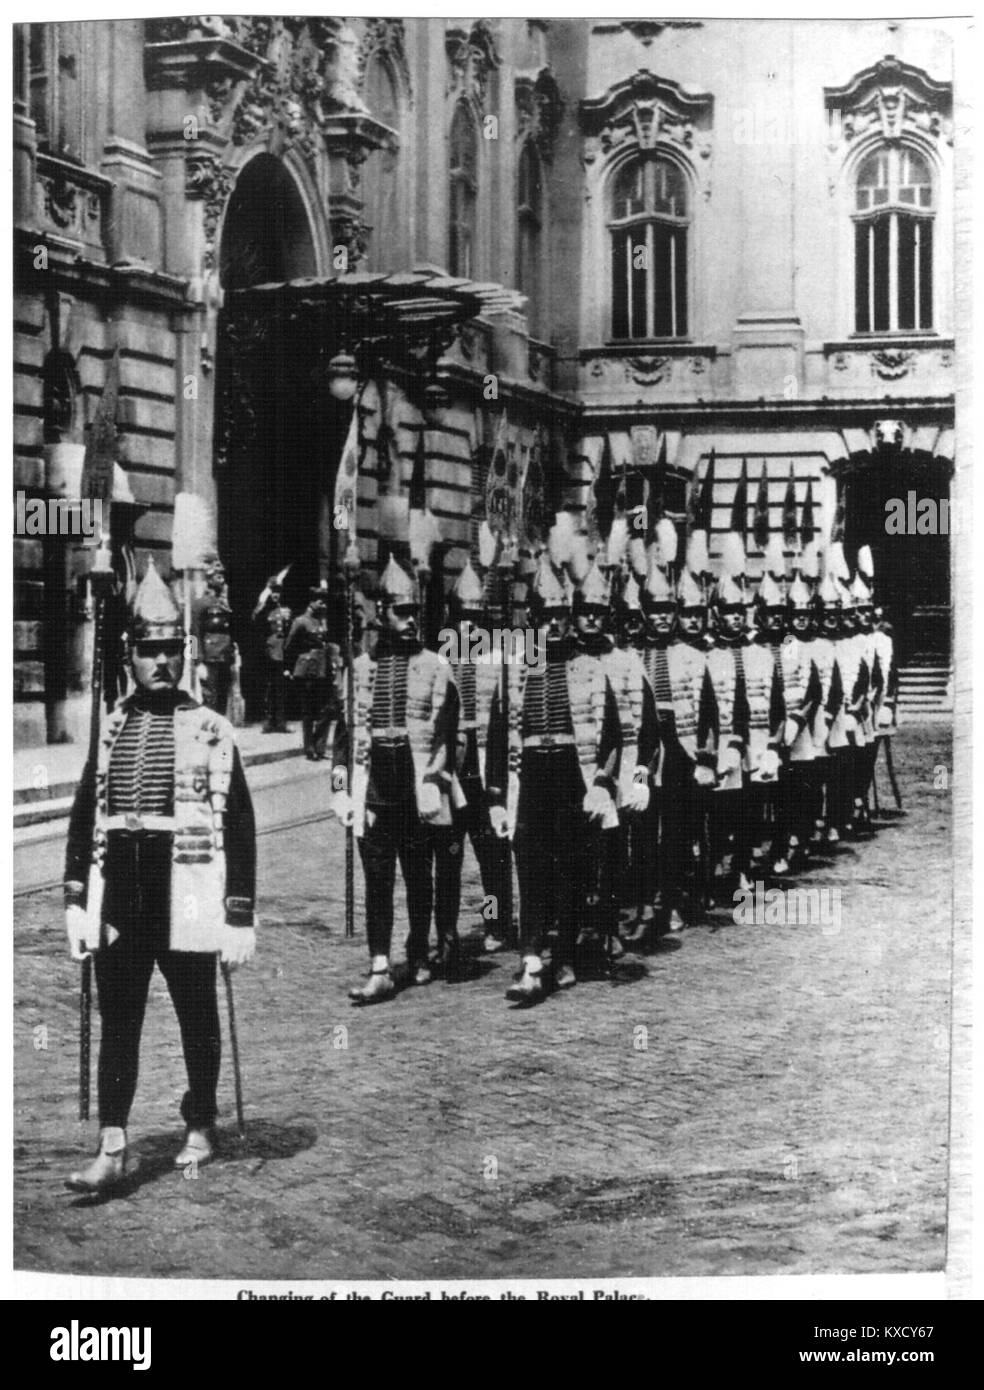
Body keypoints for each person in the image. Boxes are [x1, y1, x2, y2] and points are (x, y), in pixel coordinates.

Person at [63, 560, 257, 1193]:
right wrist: (76, 899)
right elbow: (87, 813)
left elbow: (239, 823)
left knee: (196, 1011)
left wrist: (238, 911)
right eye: (149, 651)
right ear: (130, 654)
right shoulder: (111, 726)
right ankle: (113, 1145)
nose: (162, 661)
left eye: (171, 648)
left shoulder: (212, 728)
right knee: (119, 1019)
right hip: (122, 888)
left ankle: (200, 1119)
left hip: (188, 889)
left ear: (185, 651)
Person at [486, 551, 621, 1004]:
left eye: (562, 616)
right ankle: (531, 960)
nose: (555, 625)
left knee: (571, 872)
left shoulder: (591, 667)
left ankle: (563, 953)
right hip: (530, 778)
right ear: (533, 619)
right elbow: (498, 737)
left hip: (572, 775)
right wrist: (496, 797)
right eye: (546, 617)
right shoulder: (514, 670)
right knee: (529, 868)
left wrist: (602, 783)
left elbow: (614, 735)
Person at [331, 557, 457, 1002]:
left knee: (419, 875)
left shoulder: (436, 666)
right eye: (401, 613)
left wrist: (436, 780)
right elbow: (343, 737)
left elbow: (448, 734)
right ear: (381, 613)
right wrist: (340, 790)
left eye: (414, 613)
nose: (410, 621)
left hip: (415, 781)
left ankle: (419, 950)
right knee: (377, 879)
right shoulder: (358, 668)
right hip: (374, 784)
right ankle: (380, 965)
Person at [441, 559, 512, 965]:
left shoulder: (500, 660)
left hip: (485, 768)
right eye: (461, 619)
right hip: (451, 770)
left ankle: (495, 922)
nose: (468, 628)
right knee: (450, 855)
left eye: (474, 620)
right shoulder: (439, 660)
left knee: (492, 856)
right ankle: (447, 930)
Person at [285, 582, 339, 759]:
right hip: (307, 670)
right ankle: (310, 748)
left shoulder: (322, 621)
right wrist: (289, 668)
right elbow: (289, 646)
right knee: (308, 711)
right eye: (320, 601)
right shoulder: (301, 621)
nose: (323, 605)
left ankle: (319, 745)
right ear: (311, 602)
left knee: (328, 708)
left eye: (325, 601)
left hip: (323, 669)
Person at [192, 557, 238, 717]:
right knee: (210, 699)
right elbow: (192, 635)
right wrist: (197, 663)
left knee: (223, 698)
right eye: (218, 577)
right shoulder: (200, 604)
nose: (222, 580)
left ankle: (221, 731)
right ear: (210, 580)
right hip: (209, 659)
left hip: (225, 657)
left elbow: (228, 632)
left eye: (223, 576)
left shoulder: (224, 604)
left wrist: (233, 654)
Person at [252, 575, 292, 733]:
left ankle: (281, 722)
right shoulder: (264, 610)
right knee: (269, 687)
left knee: (281, 687)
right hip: (268, 652)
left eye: (278, 592)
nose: (276, 595)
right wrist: (263, 599)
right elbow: (256, 621)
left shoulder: (285, 610)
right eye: (273, 591)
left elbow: (289, 631)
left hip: (282, 651)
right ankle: (268, 721)